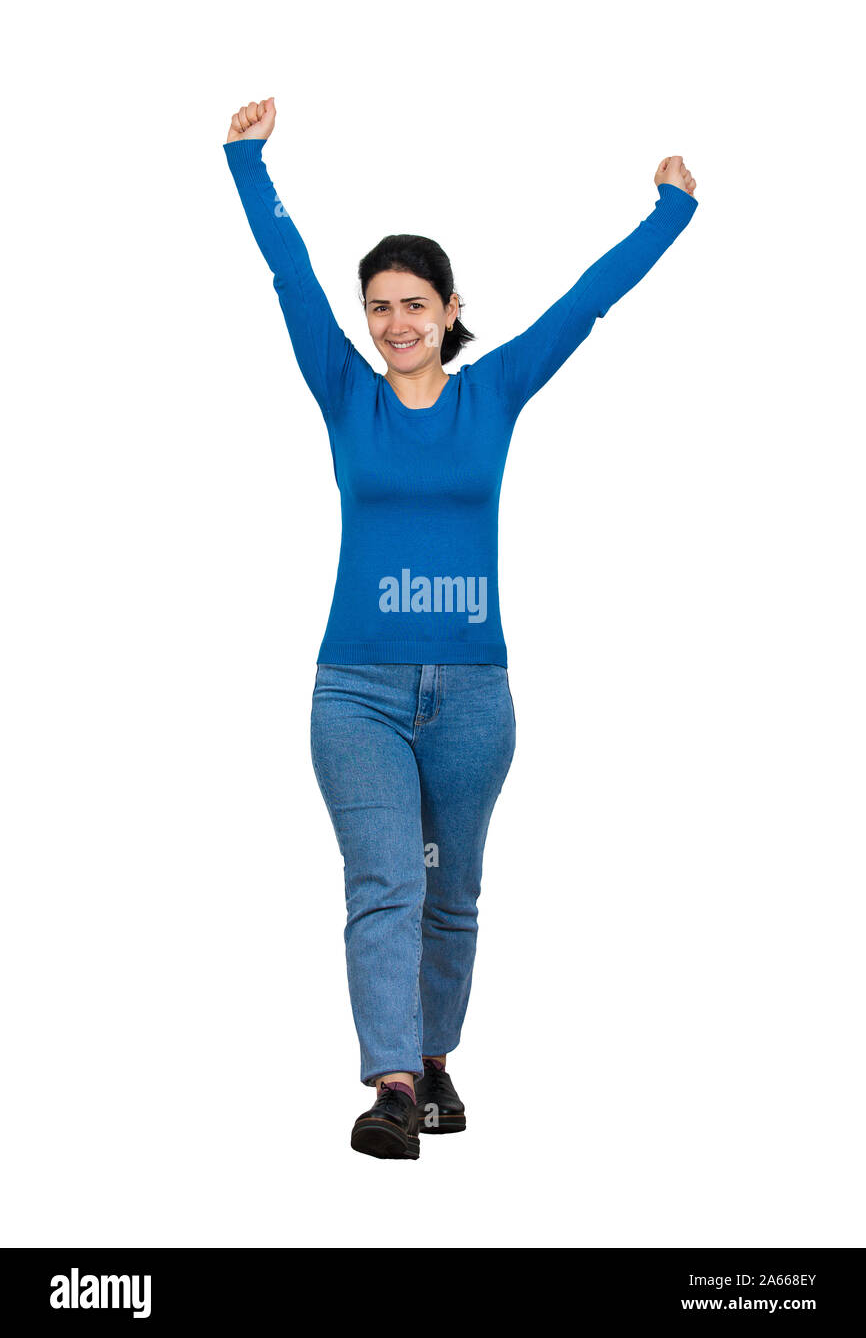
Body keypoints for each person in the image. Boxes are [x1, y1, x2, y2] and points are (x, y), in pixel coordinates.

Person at [223, 96, 698, 1161]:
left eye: (413, 303)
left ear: (448, 310)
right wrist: (245, 163)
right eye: (377, 304)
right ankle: (392, 1084)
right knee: (384, 880)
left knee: (452, 888)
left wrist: (668, 212)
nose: (393, 321)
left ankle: (436, 1059)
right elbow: (288, 276)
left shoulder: (491, 397)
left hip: (474, 697)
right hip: (355, 691)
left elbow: (583, 306)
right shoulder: (344, 391)